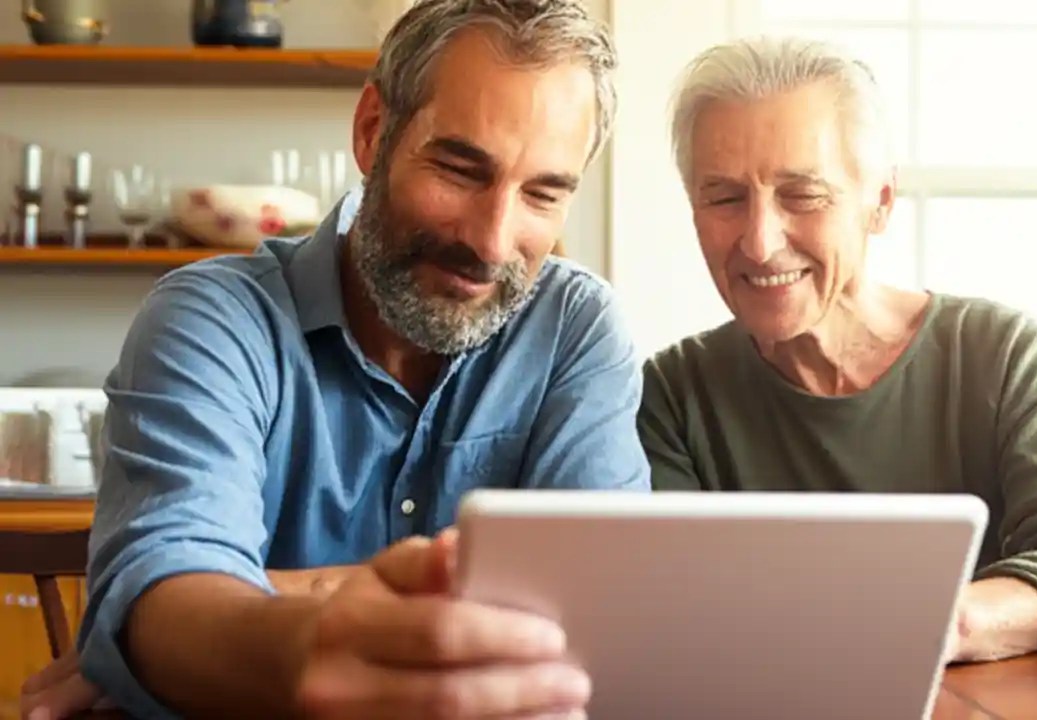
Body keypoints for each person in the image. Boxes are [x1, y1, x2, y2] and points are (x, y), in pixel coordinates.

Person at [21, 1, 644, 718]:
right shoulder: (214, 318)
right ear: (373, 131)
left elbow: (601, 616)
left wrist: (268, 594)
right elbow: (165, 596)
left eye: (542, 193)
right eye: (458, 170)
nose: (492, 242)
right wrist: (250, 636)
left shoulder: (575, 329)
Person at [638, 36, 1037, 664]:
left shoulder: (999, 356)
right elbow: (671, 613)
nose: (760, 242)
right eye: (724, 198)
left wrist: (943, 622)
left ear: (879, 202)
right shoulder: (672, 395)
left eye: (802, 195)